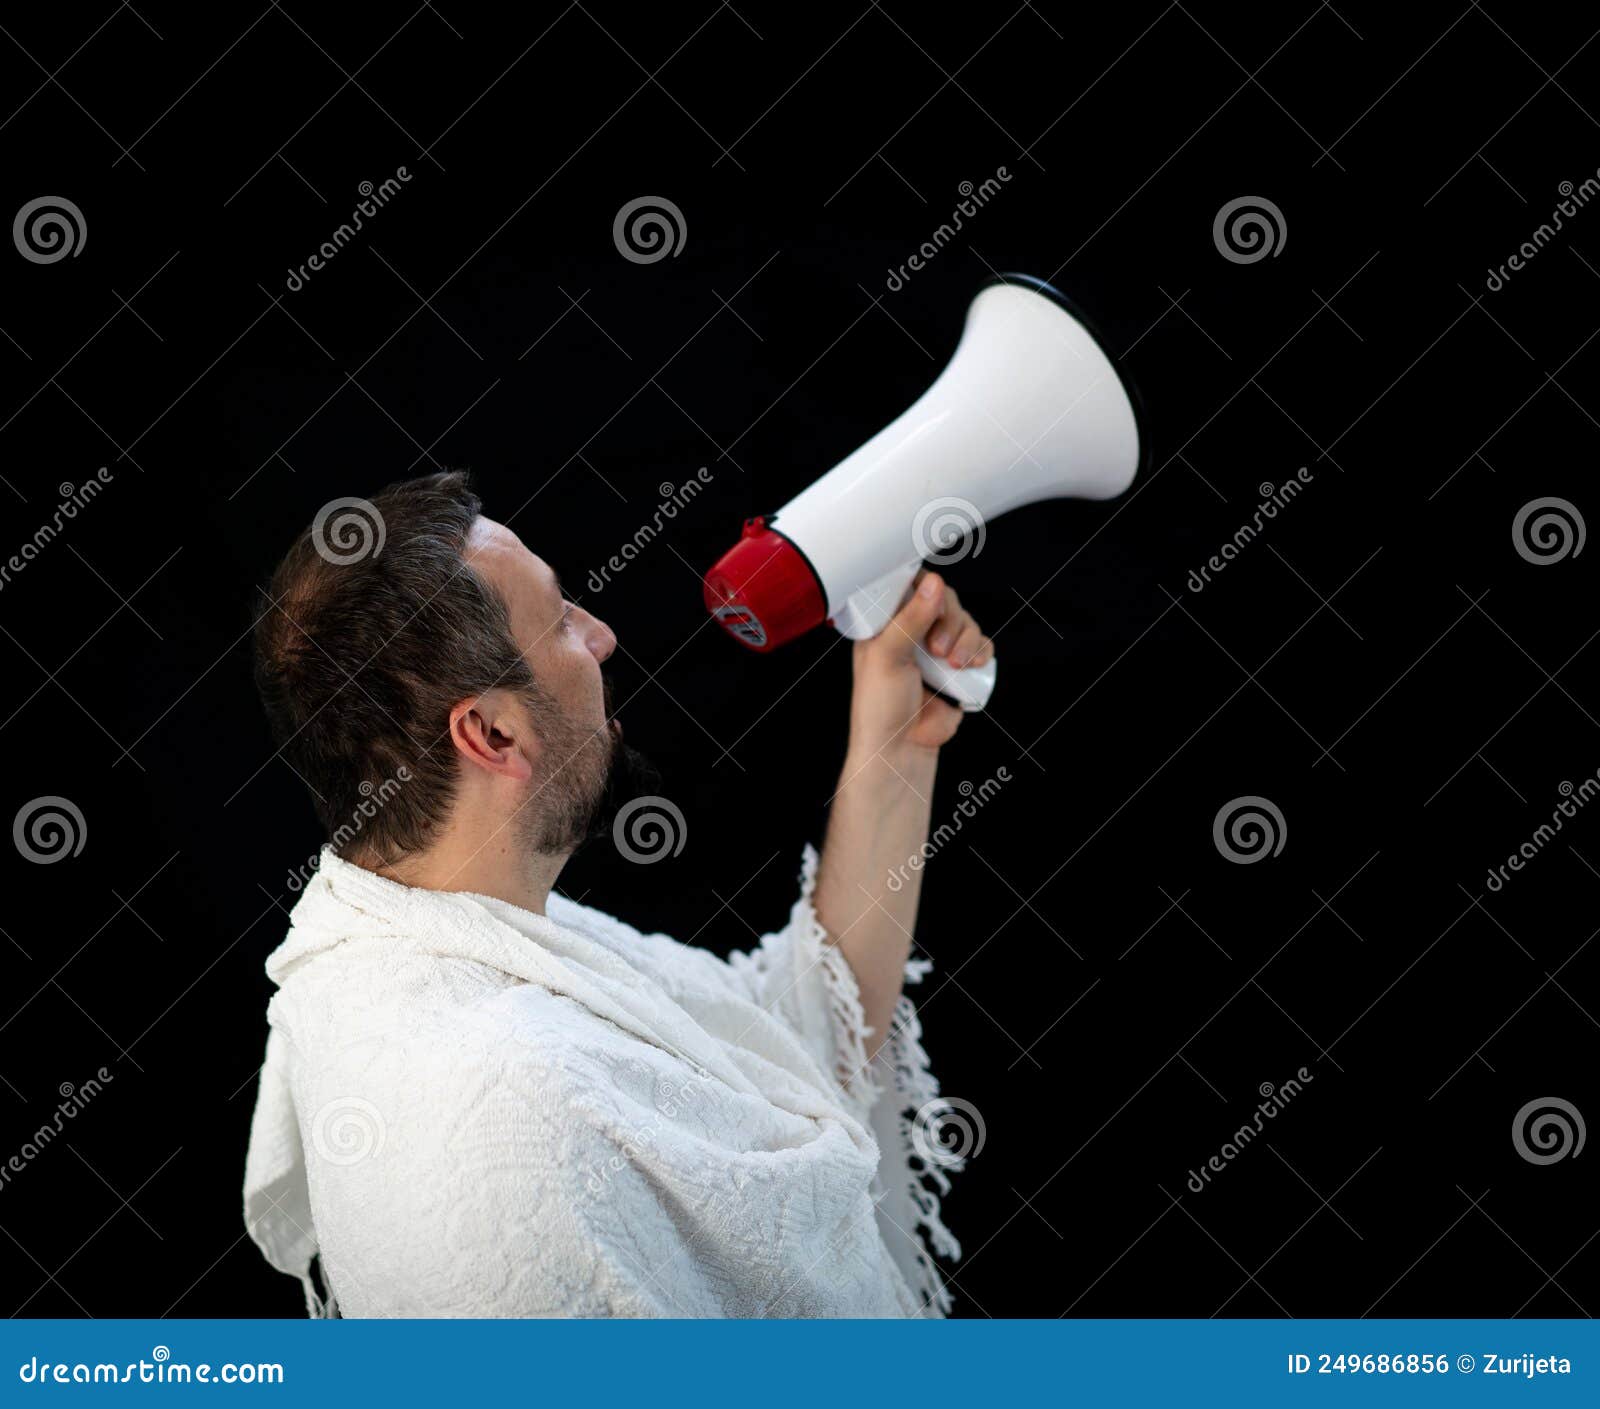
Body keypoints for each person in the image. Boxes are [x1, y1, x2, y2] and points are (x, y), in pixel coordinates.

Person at [241, 471, 992, 1317]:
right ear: (492, 733)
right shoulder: (514, 1126)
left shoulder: (435, 941)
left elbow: (790, 1039)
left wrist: (897, 735)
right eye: (561, 618)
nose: (600, 636)